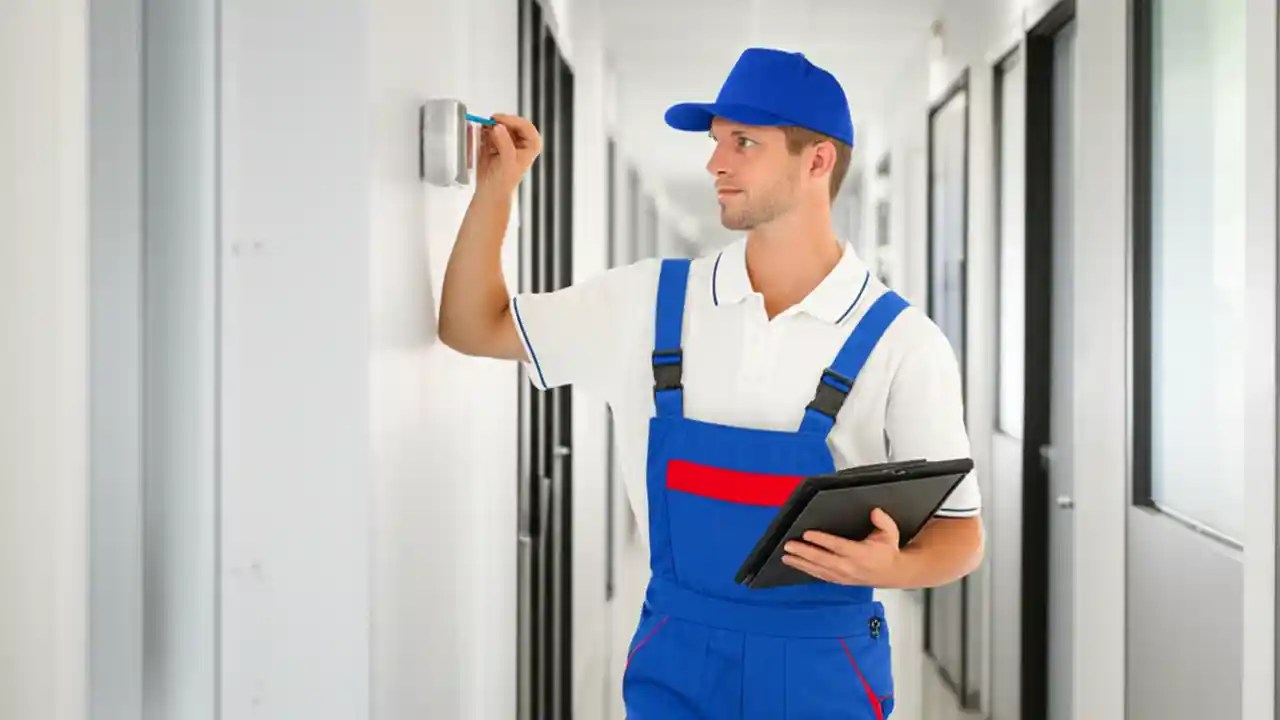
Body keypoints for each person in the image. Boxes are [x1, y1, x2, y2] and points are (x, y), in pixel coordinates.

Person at [439, 47, 983, 720]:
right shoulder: (647, 302)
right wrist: (498, 188)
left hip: (824, 664)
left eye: (744, 142)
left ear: (817, 162)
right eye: (717, 140)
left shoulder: (903, 342)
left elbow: (962, 536)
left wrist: (890, 569)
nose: (715, 163)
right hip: (679, 653)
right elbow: (471, 325)